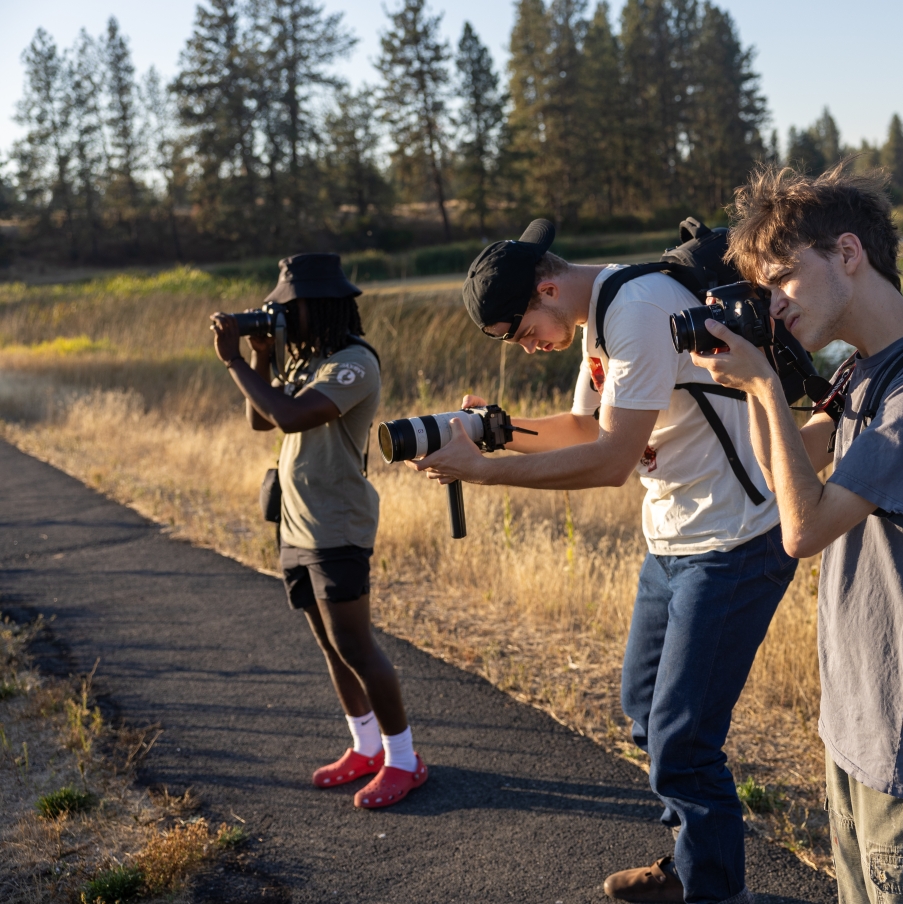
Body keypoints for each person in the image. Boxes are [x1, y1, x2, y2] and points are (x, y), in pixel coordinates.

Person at [408, 220, 796, 904]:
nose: (528, 349)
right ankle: (688, 864)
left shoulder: (639, 309)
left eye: (522, 332)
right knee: (644, 705)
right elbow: (586, 427)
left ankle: (715, 893)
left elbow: (612, 460)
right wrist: (496, 431)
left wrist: (482, 471)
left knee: (684, 741)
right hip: (676, 535)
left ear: (547, 287)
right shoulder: (603, 315)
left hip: (735, 538)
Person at [689, 165, 903, 904]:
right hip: (860, 733)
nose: (773, 305)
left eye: (782, 282)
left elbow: (802, 530)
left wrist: (766, 387)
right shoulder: (868, 374)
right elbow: (783, 466)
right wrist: (748, 373)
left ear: (848, 254)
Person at [210, 253, 427, 810]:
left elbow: (290, 417)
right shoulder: (309, 360)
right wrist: (261, 356)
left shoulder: (353, 363)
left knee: (355, 643)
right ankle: (365, 747)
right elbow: (263, 418)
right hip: (296, 521)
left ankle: (404, 760)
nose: (278, 315)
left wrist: (234, 363)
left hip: (336, 522)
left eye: (287, 307)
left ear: (319, 306)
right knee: (330, 646)